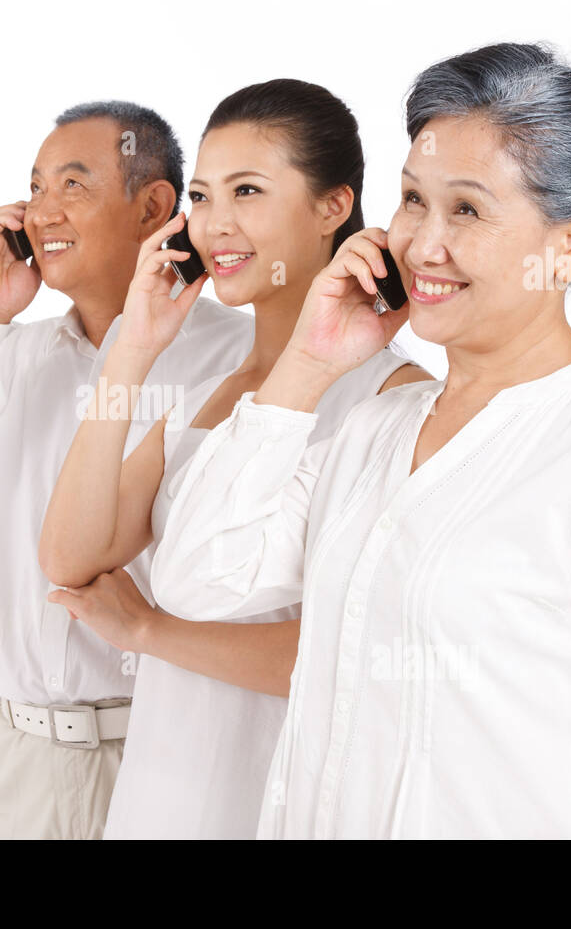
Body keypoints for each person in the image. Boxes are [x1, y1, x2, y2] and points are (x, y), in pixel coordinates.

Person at [150, 43, 571, 839]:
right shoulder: (374, 426)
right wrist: (305, 364)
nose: (421, 244)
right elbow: (197, 580)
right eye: (410, 200)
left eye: (466, 209)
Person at [39, 80, 430, 838]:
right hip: (161, 783)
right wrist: (133, 350)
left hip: (274, 790)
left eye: (247, 191)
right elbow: (70, 557)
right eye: (203, 196)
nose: (217, 225)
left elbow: (355, 652)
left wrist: (151, 632)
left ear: (332, 206)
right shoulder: (206, 387)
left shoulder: (395, 401)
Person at [0, 101, 253, 839]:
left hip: (165, 753)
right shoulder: (9, 356)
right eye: (35, 188)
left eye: (72, 187)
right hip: (19, 761)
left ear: (154, 207)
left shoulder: (239, 360)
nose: (41, 211)